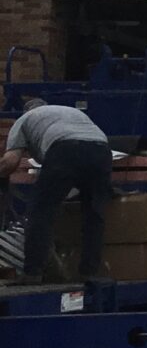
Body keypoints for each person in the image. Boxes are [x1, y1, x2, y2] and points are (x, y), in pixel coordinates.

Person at [0, 97, 115, 284]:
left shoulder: (24, 120)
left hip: (64, 150)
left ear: (27, 111)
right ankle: (89, 273)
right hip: (101, 150)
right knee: (94, 215)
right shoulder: (70, 112)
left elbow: (9, 162)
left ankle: (33, 273)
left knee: (41, 213)